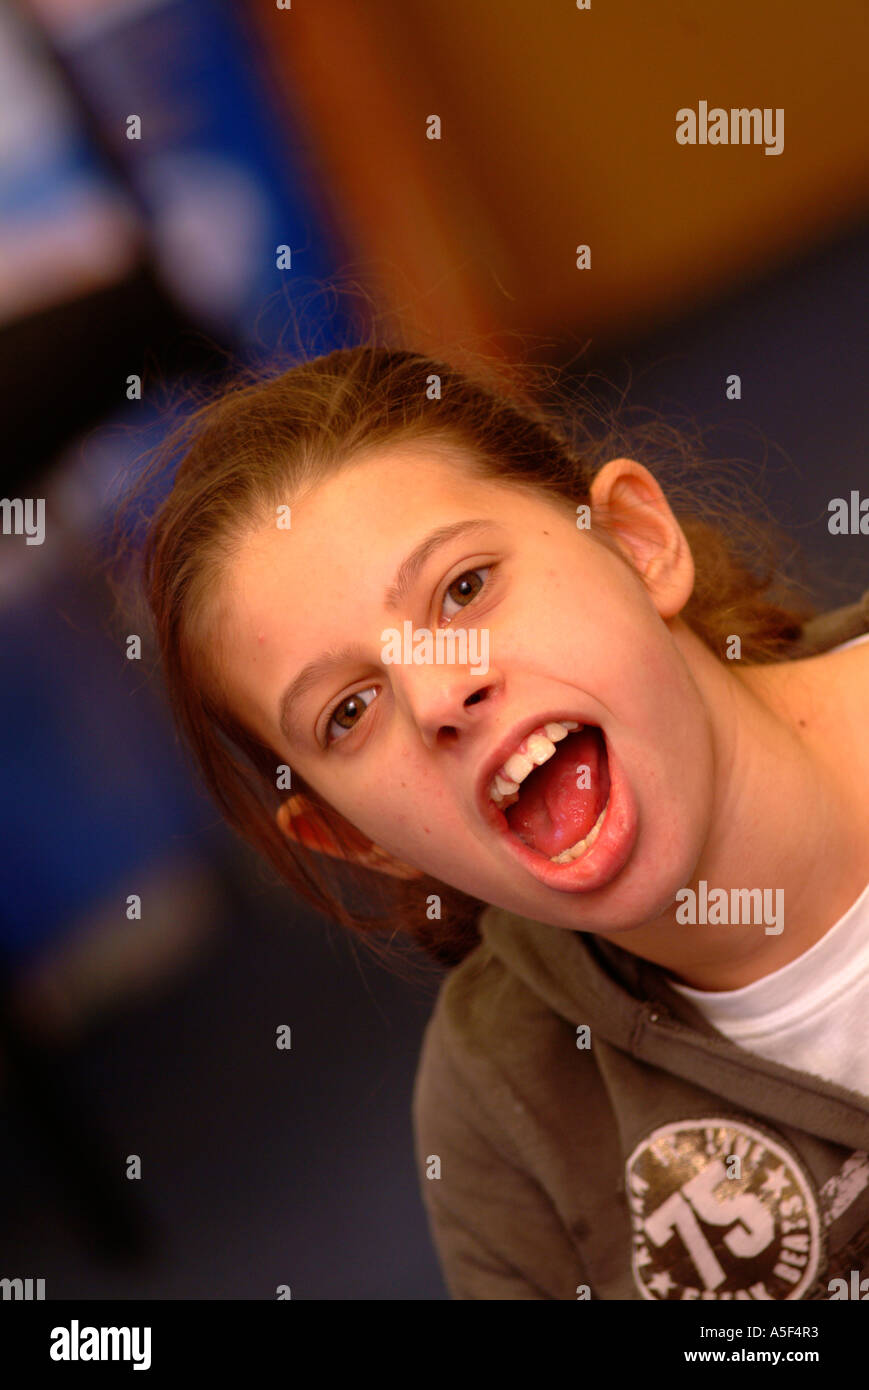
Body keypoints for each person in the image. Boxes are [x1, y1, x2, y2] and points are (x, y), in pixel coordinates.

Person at [112, 343, 869, 1300]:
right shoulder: (497, 1118)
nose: (438, 695)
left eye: (463, 588)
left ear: (638, 542)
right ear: (358, 840)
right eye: (348, 712)